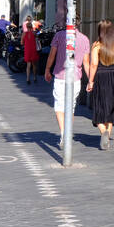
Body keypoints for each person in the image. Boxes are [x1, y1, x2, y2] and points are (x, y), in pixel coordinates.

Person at [44, 17, 92, 147]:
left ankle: (64, 133)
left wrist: (47, 69)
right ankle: (67, 133)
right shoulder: (84, 39)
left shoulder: (59, 35)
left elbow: (52, 55)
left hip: (60, 75)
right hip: (75, 77)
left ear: (67, 23)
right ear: (79, 24)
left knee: (59, 106)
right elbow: (86, 62)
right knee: (70, 106)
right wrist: (90, 80)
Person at [86, 20, 114, 150]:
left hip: (101, 77)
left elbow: (94, 64)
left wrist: (90, 81)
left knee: (99, 107)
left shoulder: (97, 45)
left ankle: (103, 131)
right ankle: (107, 137)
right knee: (110, 108)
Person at [23, 19, 39, 84]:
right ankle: (35, 77)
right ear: (31, 27)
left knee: (28, 65)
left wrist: (25, 43)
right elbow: (37, 39)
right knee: (34, 64)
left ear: (26, 27)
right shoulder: (34, 33)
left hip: (27, 50)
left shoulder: (24, 34)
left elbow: (21, 42)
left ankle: (27, 79)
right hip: (33, 49)